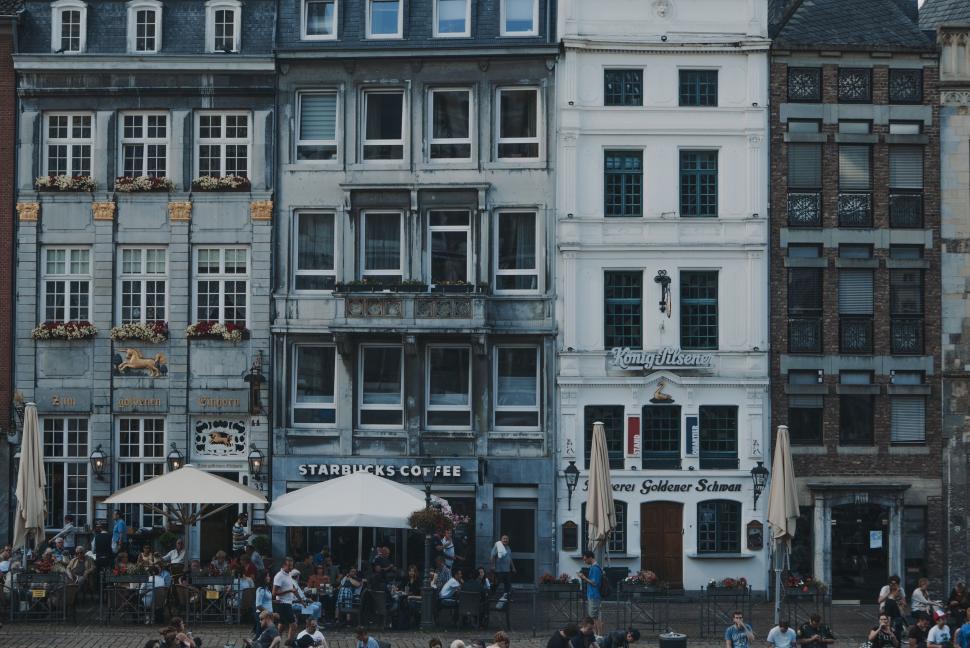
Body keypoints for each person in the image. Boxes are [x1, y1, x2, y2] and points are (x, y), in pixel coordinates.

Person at [274, 556, 300, 646]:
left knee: (281, 626)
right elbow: (274, 593)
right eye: (289, 566)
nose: (291, 568)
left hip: (288, 603)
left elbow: (292, 589)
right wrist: (289, 591)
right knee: (294, 625)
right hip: (283, 604)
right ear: (283, 565)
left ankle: (276, 644)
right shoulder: (279, 576)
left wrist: (301, 600)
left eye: (292, 565)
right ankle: (289, 644)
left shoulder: (288, 574)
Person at [577, 550, 604, 635]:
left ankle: (597, 635)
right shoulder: (594, 567)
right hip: (593, 595)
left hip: (594, 595)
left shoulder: (595, 568)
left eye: (585, 560)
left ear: (590, 558)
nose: (584, 561)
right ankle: (597, 635)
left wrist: (583, 577)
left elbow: (594, 582)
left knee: (594, 618)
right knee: (595, 617)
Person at [253, 572, 274, 638]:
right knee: (259, 636)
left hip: (267, 615)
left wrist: (275, 601)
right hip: (262, 615)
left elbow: (266, 601)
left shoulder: (267, 589)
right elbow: (258, 605)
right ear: (263, 578)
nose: (269, 577)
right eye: (267, 576)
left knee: (265, 635)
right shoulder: (261, 589)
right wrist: (268, 613)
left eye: (269, 576)